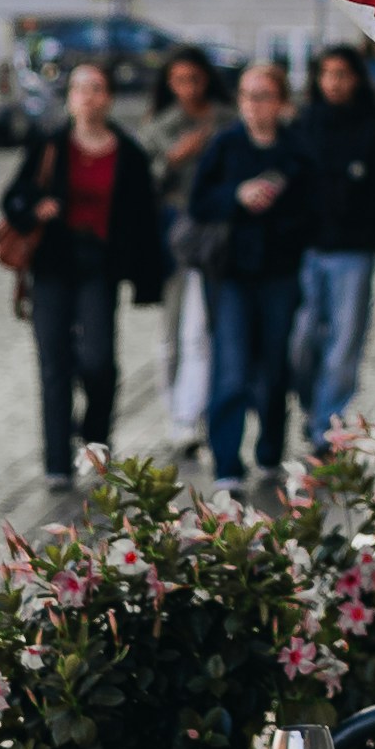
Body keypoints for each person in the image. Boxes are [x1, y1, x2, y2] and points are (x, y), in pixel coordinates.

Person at [0, 55, 169, 484]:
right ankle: (57, 464)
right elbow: (13, 197)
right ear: (70, 99)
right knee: (54, 364)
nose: (88, 98)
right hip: (53, 264)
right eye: (79, 89)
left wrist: (147, 278)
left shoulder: (128, 153)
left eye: (96, 89)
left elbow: (145, 219)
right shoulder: (51, 144)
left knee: (97, 363)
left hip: (100, 267)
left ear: (108, 98)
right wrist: (36, 208)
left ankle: (95, 441)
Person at [273, 43, 375, 444]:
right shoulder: (302, 127)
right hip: (306, 247)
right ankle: (310, 401)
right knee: (301, 340)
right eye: (327, 74)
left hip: (355, 249)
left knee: (345, 341)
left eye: (342, 74)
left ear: (356, 80)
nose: (334, 83)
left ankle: (325, 425)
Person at [184, 57, 302, 488]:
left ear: (281, 102)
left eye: (263, 96)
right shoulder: (225, 145)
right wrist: (238, 195)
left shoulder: (294, 148)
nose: (253, 105)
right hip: (231, 272)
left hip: (280, 272)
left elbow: (313, 209)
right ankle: (227, 463)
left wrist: (279, 203)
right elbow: (198, 203)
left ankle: (270, 451)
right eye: (247, 96)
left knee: (273, 370)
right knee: (230, 367)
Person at [152, 44, 226, 448]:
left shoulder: (224, 121)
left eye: (195, 80)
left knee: (208, 329)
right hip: (175, 233)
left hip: (217, 234)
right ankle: (177, 412)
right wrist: (173, 160)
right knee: (175, 328)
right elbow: (144, 181)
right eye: (180, 81)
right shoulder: (161, 126)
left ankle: (199, 409)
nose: (189, 89)